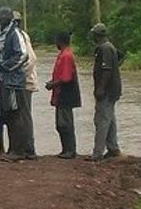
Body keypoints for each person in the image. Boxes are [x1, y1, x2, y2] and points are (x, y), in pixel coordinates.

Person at [0, 7, 34, 159]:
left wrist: (3, 66)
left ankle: (19, 151)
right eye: (0, 16)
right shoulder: (3, 33)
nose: (1, 19)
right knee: (9, 115)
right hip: (5, 80)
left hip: (14, 82)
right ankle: (13, 149)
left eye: (4, 17)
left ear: (10, 18)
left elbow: (22, 56)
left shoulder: (14, 33)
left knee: (17, 115)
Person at [88, 23, 123, 160]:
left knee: (101, 120)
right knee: (110, 119)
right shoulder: (110, 47)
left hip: (107, 91)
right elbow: (121, 56)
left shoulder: (105, 48)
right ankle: (113, 148)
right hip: (114, 89)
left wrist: (100, 88)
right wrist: (116, 67)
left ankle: (97, 153)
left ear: (97, 35)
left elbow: (106, 70)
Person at [46, 31, 81, 158]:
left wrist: (52, 84)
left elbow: (65, 78)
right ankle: (66, 149)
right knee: (62, 123)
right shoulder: (64, 54)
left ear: (60, 41)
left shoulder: (66, 56)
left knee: (64, 123)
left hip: (65, 93)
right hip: (63, 92)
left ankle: (70, 150)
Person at [16, 12, 38, 157]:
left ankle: (29, 148)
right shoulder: (19, 35)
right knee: (21, 115)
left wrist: (20, 76)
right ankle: (24, 147)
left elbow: (31, 59)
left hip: (24, 82)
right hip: (23, 81)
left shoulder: (21, 36)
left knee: (24, 115)